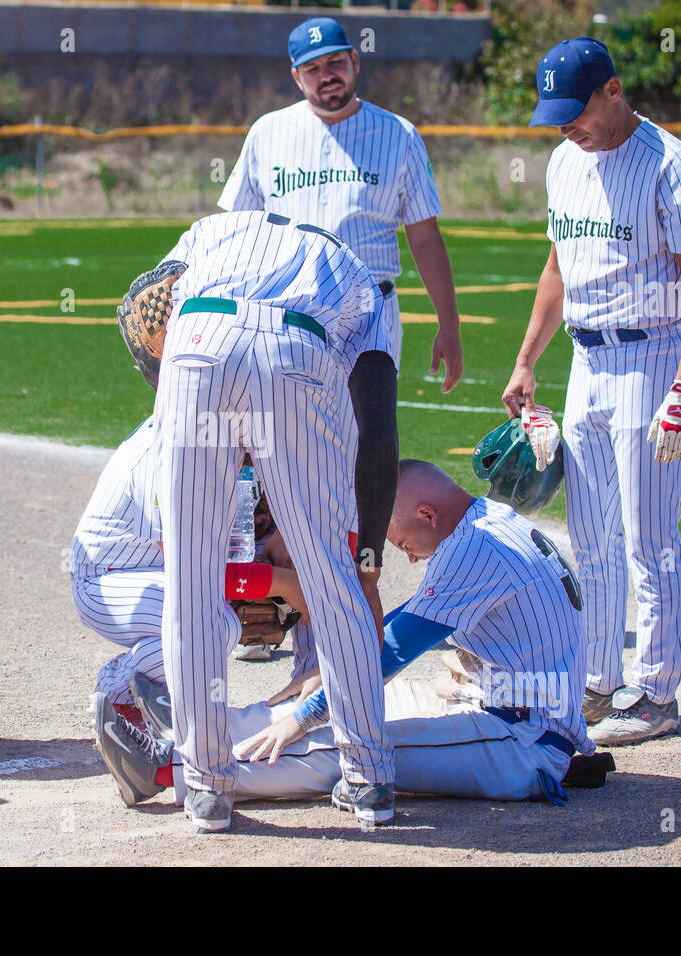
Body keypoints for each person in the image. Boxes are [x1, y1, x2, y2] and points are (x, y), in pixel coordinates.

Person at [94, 460, 597, 808]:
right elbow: (407, 619)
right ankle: (199, 727)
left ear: (427, 514)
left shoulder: (474, 551)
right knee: (354, 697)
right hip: (506, 714)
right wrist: (324, 665)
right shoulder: (488, 522)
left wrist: (306, 716)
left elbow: (390, 653)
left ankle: (165, 771)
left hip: (523, 744)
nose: (409, 555)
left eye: (401, 542)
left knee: (352, 743)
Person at [138, 209, 400, 833]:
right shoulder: (364, 278)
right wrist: (366, 561)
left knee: (193, 584)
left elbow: (157, 301)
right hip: (296, 353)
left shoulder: (213, 229)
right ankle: (368, 782)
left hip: (196, 342)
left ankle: (205, 787)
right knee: (332, 586)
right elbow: (379, 434)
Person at [500, 38, 681, 746]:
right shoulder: (564, 162)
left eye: (575, 110)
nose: (565, 125)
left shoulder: (674, 170)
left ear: (614, 91)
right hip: (586, 361)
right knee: (590, 536)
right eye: (554, 114)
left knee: (650, 535)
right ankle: (598, 681)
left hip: (653, 357)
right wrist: (527, 357)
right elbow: (558, 268)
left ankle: (656, 693)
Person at [218, 16, 463, 388]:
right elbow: (235, 233)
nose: (326, 75)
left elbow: (425, 237)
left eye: (335, 62)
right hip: (288, 315)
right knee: (290, 438)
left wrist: (449, 325)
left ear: (355, 60)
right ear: (296, 77)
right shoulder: (266, 134)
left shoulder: (398, 134)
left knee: (373, 441)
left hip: (369, 316)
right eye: (312, 68)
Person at [71, 419, 312, 717]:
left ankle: (314, 687)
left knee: (315, 561)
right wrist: (282, 583)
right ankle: (118, 690)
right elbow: (192, 573)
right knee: (213, 626)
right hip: (109, 580)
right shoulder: (162, 457)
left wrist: (285, 537)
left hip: (175, 570)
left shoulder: (229, 427)